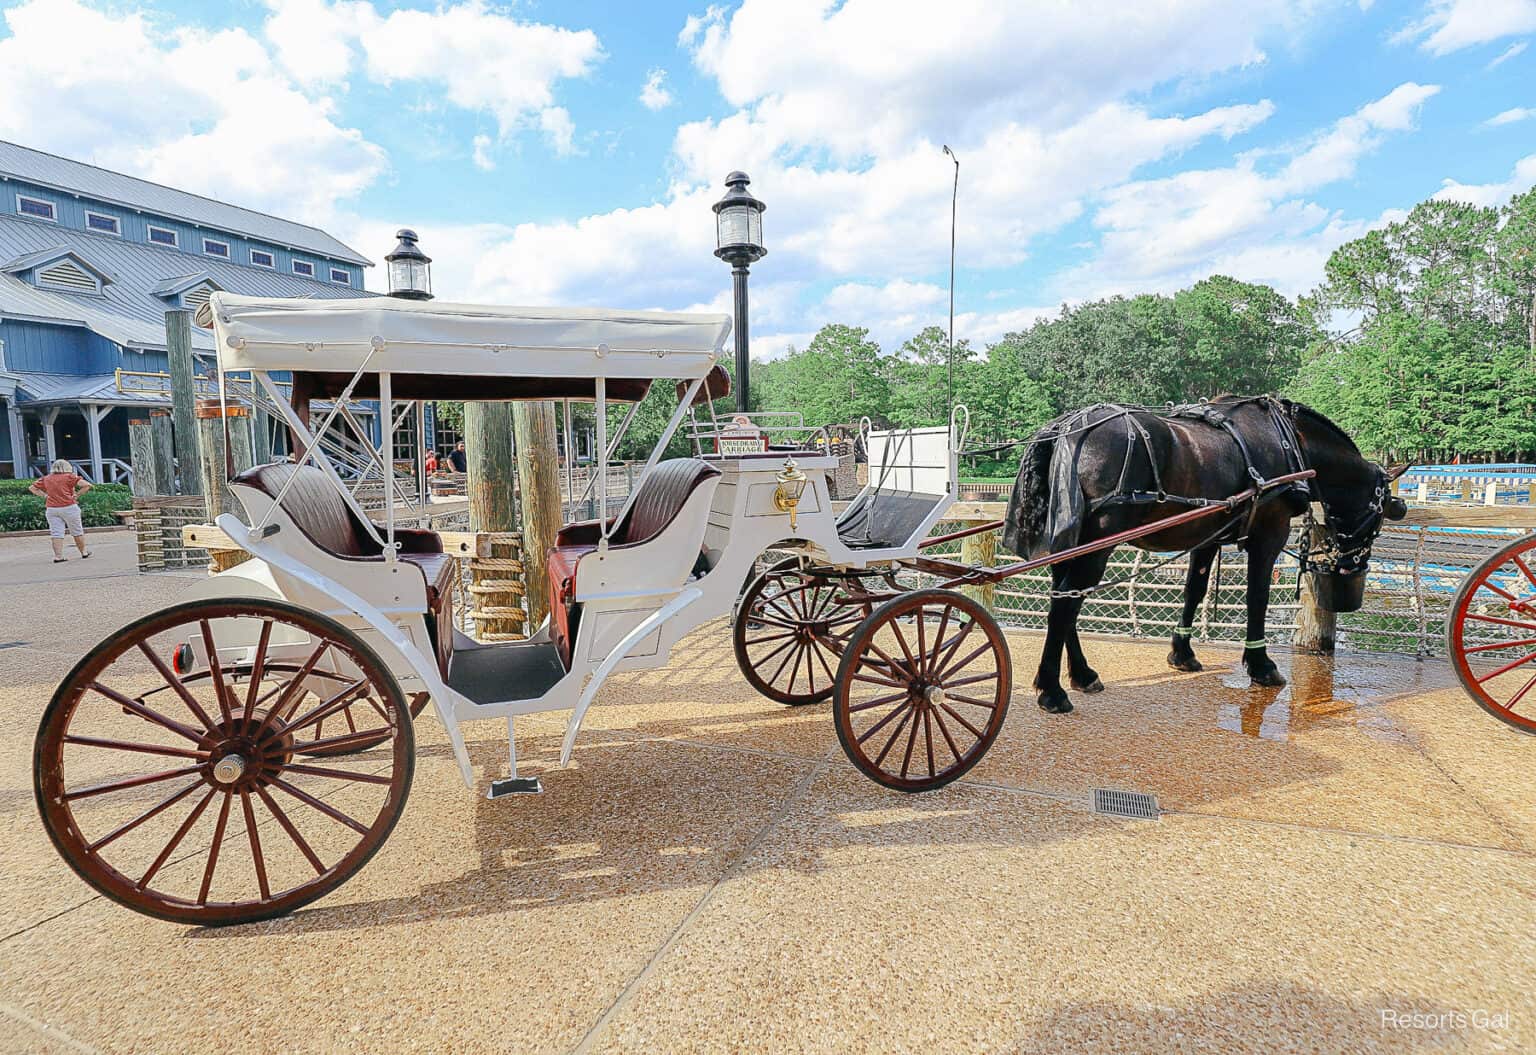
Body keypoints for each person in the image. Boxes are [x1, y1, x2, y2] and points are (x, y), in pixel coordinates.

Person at [30, 459, 92, 563]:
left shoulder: (46, 478)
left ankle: (58, 556)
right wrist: (77, 494)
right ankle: (84, 552)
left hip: (52, 509)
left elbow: (32, 488)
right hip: (69, 507)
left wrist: (45, 496)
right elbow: (87, 485)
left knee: (56, 533)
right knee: (76, 531)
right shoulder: (69, 477)